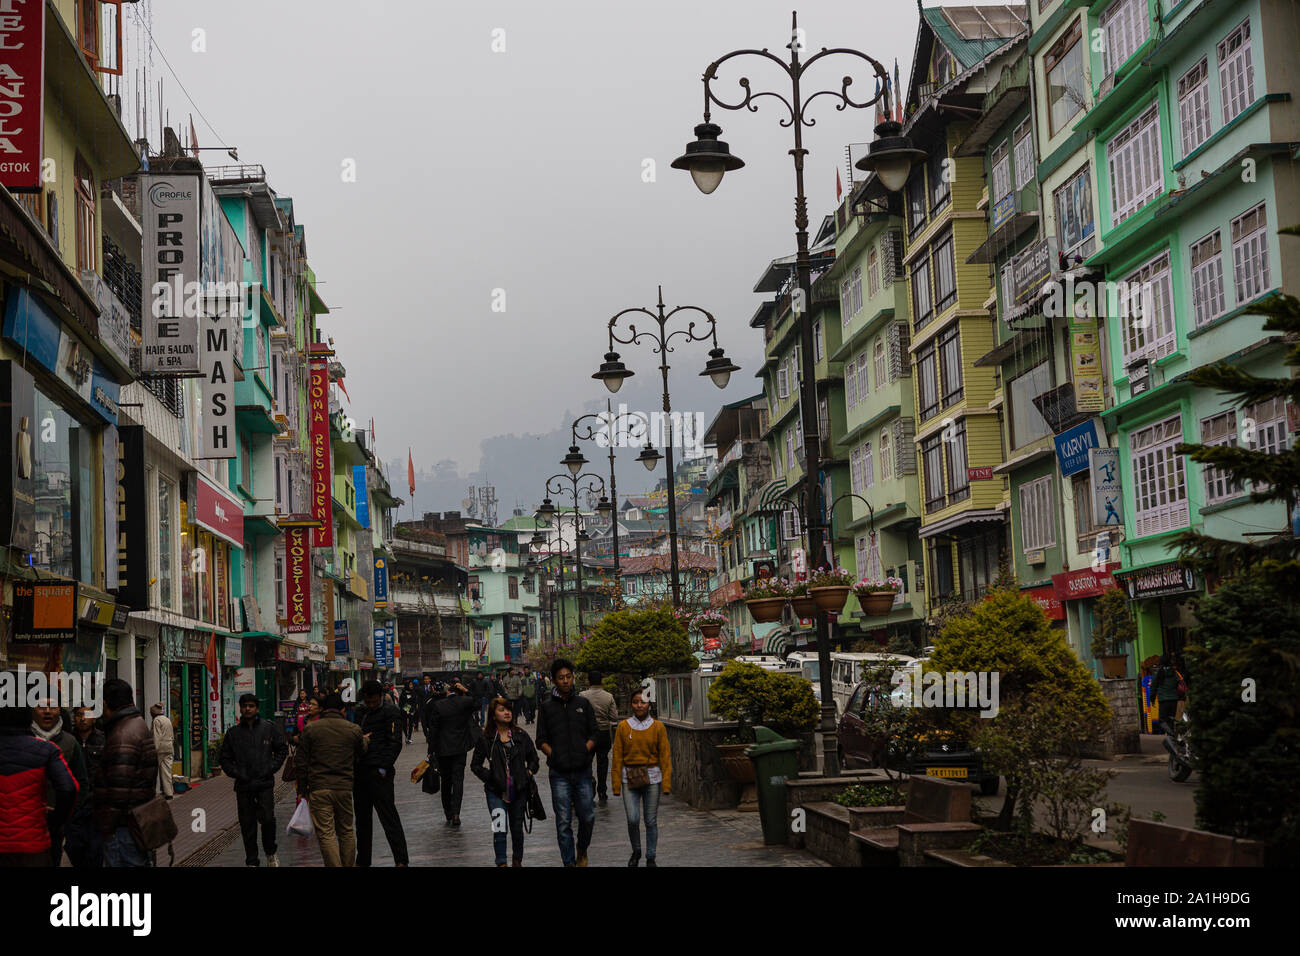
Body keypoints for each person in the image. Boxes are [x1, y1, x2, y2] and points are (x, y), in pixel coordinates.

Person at [535, 658, 597, 867]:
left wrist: (583, 750)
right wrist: (553, 754)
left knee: (588, 816)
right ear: (554, 680)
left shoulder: (583, 704)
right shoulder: (546, 707)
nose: (565, 681)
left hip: (582, 771)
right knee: (563, 822)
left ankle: (582, 848)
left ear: (573, 677)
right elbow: (540, 740)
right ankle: (569, 863)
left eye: (568, 677)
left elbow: (595, 734)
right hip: (559, 773)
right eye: (561, 678)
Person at [0, 703, 78, 867]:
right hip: (33, 844)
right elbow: (69, 788)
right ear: (29, 719)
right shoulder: (46, 750)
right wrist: (57, 820)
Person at [219, 694, 289, 867]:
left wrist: (270, 768)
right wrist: (237, 773)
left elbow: (282, 749)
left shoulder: (268, 728)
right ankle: (251, 860)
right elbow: (225, 759)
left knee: (267, 819)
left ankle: (270, 852)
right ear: (240, 708)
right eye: (244, 706)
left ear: (256, 708)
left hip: (264, 783)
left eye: (251, 706)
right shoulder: (233, 733)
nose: (247, 709)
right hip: (244, 785)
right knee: (247, 824)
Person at [298, 693, 367, 866]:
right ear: (343, 710)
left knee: (326, 833)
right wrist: (366, 741)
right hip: (344, 788)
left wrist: (301, 790)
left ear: (322, 709)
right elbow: (361, 752)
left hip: (319, 787)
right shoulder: (353, 729)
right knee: (346, 831)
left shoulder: (311, 729)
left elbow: (301, 762)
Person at [94, 679, 158, 868]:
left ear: (105, 703)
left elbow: (118, 791)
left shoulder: (122, 735)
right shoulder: (137, 724)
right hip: (135, 822)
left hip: (123, 827)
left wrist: (106, 827)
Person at [470, 697, 540, 867]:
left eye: (508, 709)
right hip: (496, 792)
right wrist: (492, 777)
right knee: (500, 829)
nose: (507, 712)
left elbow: (534, 759)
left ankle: (517, 861)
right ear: (493, 715)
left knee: (517, 829)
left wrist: (528, 772)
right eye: (502, 710)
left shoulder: (520, 735)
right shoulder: (486, 738)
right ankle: (501, 862)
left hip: (519, 790)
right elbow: (475, 765)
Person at [612, 688, 672, 867]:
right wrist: (615, 785)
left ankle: (651, 856)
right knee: (632, 818)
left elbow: (665, 756)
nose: (639, 705)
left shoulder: (658, 727)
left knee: (651, 820)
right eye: (635, 702)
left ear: (649, 704)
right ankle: (636, 850)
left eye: (643, 702)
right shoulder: (623, 727)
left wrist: (667, 783)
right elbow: (616, 757)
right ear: (631, 704)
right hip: (628, 778)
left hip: (652, 778)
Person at [352, 680, 409, 867]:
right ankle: (363, 860)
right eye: (368, 702)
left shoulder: (391, 712)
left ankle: (401, 859)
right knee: (362, 822)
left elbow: (395, 743)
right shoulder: (360, 712)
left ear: (380, 697)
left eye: (374, 702)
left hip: (380, 773)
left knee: (389, 817)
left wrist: (384, 767)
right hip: (361, 772)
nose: (371, 705)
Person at [31, 701, 89, 865]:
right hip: (26, 822)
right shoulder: (22, 739)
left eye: (53, 707)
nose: (47, 712)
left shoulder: (70, 743)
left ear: (60, 711)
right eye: (41, 706)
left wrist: (66, 814)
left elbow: (81, 782)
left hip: (57, 825)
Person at [425, 679, 479, 826]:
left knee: (446, 782)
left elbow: (433, 731)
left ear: (447, 692)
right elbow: (477, 702)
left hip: (443, 750)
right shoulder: (464, 702)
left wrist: (430, 751)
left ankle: (448, 812)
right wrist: (467, 690)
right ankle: (456, 813)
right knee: (458, 780)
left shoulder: (439, 705)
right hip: (460, 748)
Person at [65, 706, 106, 867]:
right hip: (73, 805)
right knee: (74, 847)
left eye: (86, 715)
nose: (82, 719)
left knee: (96, 850)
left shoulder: (103, 740)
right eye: (78, 715)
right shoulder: (68, 741)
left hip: (96, 804)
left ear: (94, 719)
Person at [580, 672, 618, 806]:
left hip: (588, 734)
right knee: (603, 762)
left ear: (588, 681)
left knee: (587, 762)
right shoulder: (609, 696)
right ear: (601, 681)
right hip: (603, 733)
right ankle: (602, 790)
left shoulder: (583, 696)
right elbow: (614, 717)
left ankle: (589, 786)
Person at [1152, 655, 1184, 735]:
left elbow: (1153, 687)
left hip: (1163, 700)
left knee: (1162, 721)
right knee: (1171, 720)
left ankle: (1172, 734)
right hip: (1174, 699)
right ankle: (1173, 740)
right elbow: (1178, 683)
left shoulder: (1159, 673)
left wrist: (1152, 699)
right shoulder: (1174, 672)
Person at [149, 703, 175, 798]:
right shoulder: (167, 719)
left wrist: (154, 750)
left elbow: (157, 737)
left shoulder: (156, 721)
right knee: (167, 771)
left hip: (160, 748)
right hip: (169, 746)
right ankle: (169, 793)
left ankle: (152, 791)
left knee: (153, 771)